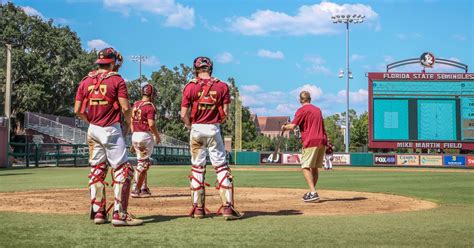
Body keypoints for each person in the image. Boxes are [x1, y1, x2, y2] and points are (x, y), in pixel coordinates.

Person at [74, 47, 143, 226]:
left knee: (97, 170)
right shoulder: (117, 80)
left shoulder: (85, 81)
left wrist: (91, 120)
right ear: (112, 63)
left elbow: (77, 110)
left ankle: (98, 212)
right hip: (111, 129)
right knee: (123, 170)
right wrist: (129, 124)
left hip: (93, 129)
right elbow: (126, 108)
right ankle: (120, 215)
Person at [180, 56, 242, 220]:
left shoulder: (190, 87)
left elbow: (183, 114)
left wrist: (189, 125)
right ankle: (227, 208)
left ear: (196, 69)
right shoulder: (222, 86)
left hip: (196, 130)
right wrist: (215, 122)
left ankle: (198, 209)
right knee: (221, 167)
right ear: (211, 68)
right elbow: (225, 113)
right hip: (214, 128)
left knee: (197, 168)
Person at [282, 91, 327, 202]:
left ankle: (313, 192)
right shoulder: (318, 109)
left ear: (300, 100)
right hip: (322, 140)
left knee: (305, 166)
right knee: (314, 167)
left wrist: (284, 127)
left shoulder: (301, 110)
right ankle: (311, 192)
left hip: (310, 141)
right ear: (310, 99)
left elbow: (292, 126)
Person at [130, 83, 161, 198]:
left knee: (142, 161)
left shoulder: (136, 104)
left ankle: (143, 188)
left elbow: (131, 121)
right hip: (145, 135)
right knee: (144, 164)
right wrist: (157, 136)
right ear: (152, 94)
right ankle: (135, 188)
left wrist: (134, 135)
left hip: (135, 134)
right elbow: (151, 124)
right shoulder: (150, 106)